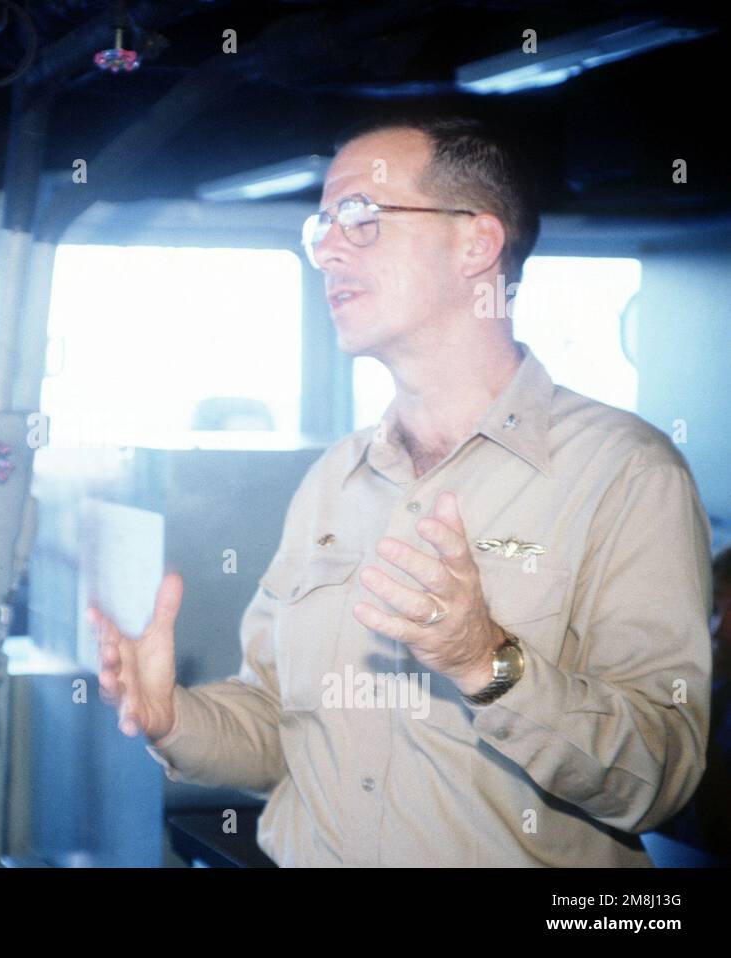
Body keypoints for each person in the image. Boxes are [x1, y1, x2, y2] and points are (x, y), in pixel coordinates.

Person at [93, 115, 713, 866]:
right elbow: (280, 729)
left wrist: (487, 662)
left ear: (475, 244)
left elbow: (660, 775)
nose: (327, 248)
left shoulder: (626, 471)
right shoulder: (333, 479)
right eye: (321, 225)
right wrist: (173, 718)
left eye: (359, 215)